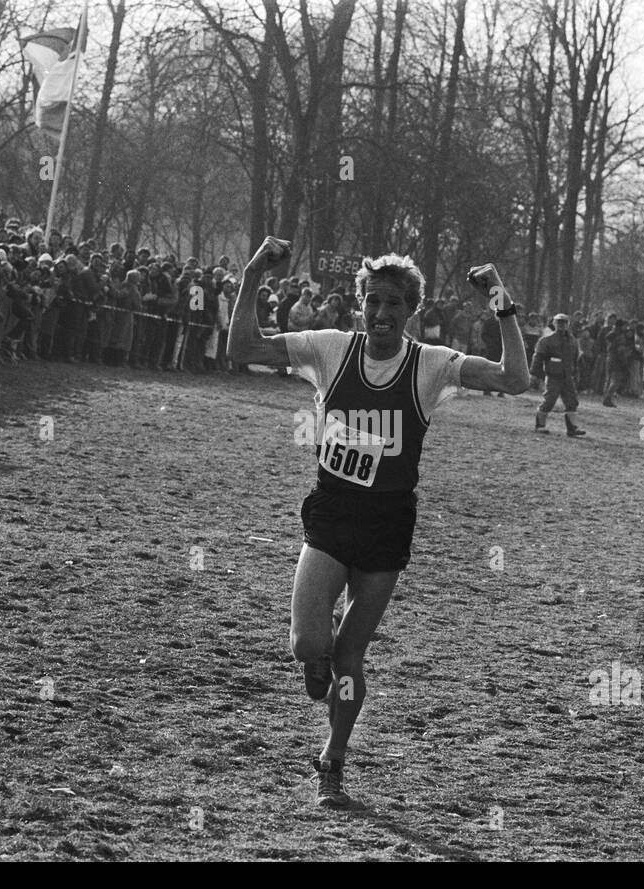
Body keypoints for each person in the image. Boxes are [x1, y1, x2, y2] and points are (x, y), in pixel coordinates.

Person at [226, 236, 529, 809]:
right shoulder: (331, 349)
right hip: (333, 511)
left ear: (409, 311)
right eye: (374, 302)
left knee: (349, 657)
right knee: (308, 644)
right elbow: (243, 347)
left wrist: (501, 302)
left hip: (388, 524)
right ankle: (317, 653)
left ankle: (332, 757)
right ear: (360, 304)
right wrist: (251, 275)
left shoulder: (431, 365)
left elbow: (516, 379)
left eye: (394, 304)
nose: (383, 313)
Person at [530, 313, 585, 436]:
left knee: (572, 401)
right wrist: (534, 374)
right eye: (559, 323)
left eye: (564, 323)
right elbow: (538, 357)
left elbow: (576, 358)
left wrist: (576, 372)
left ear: (568, 324)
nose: (562, 325)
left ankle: (572, 428)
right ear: (554, 324)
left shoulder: (573, 341)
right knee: (549, 401)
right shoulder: (546, 341)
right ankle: (540, 425)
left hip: (568, 376)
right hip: (553, 375)